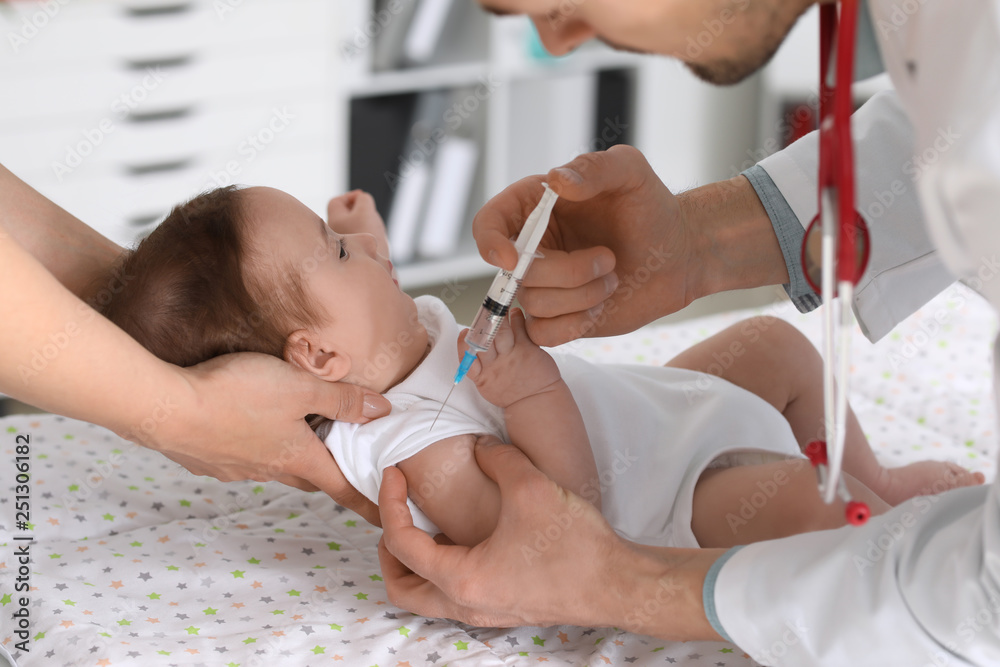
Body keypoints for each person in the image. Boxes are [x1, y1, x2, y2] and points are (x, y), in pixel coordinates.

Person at [377, 0, 1000, 664]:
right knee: (776, 380)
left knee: (808, 477)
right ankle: (866, 488)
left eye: (561, 2)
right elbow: (949, 133)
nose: (555, 44)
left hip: (672, 465)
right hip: (671, 463)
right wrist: (699, 244)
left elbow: (979, 610)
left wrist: (618, 582)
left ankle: (869, 488)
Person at [92, 183, 977, 554]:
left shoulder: (382, 339)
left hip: (667, 413)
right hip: (674, 498)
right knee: (807, 504)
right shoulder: (416, 454)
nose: (362, 252)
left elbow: (367, 303)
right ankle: (898, 528)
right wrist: (529, 388)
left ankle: (874, 470)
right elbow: (566, 521)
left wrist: (363, 233)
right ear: (318, 357)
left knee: (776, 345)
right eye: (337, 252)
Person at [0, 164, 390, 525]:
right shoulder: (397, 427)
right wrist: (183, 411)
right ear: (320, 356)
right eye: (340, 250)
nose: (370, 242)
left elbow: (376, 309)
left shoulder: (359, 338)